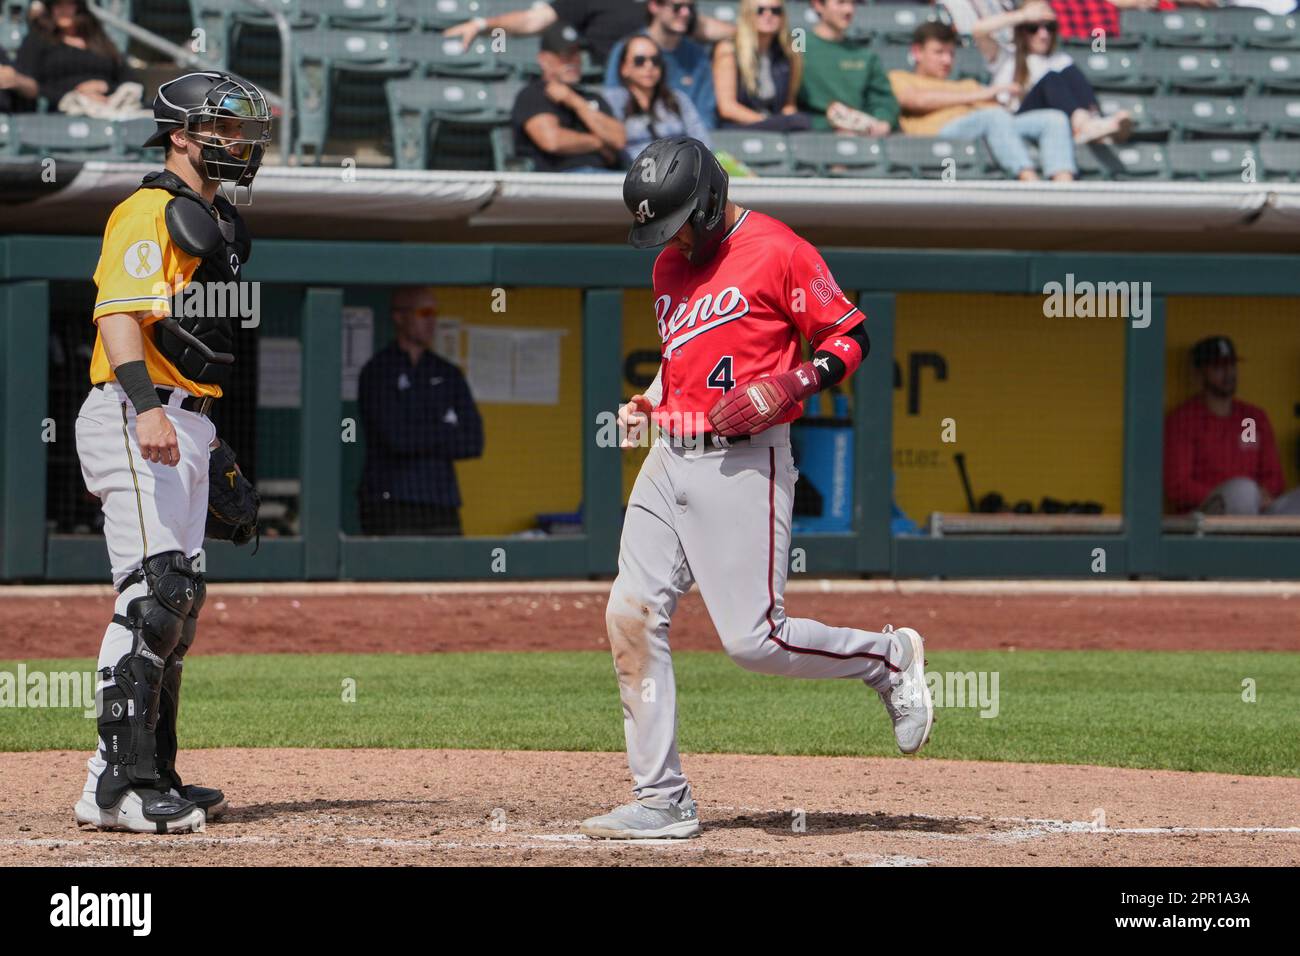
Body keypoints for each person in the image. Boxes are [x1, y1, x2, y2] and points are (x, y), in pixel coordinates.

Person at [579, 137, 934, 840]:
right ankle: (663, 797)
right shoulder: (667, 267)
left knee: (754, 641)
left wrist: (788, 384)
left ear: (708, 200)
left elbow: (849, 336)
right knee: (629, 614)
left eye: (677, 220)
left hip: (745, 460)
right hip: (668, 456)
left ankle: (887, 658)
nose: (671, 237)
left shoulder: (779, 248)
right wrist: (649, 397)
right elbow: (681, 359)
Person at [73, 71, 271, 834]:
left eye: (244, 135)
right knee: (154, 594)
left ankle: (145, 774)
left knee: (178, 605)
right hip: (134, 412)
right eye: (221, 131)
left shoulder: (214, 223)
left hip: (186, 422)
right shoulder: (146, 209)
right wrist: (152, 409)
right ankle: (115, 787)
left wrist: (207, 438)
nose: (238, 146)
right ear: (179, 135)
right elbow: (118, 319)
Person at [357, 288, 485, 536]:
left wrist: (417, 429)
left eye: (435, 313)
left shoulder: (448, 373)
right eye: (424, 313)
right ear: (399, 317)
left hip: (440, 501)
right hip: (389, 501)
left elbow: (473, 441)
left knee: (448, 572)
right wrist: (446, 429)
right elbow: (397, 439)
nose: (432, 321)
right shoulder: (378, 371)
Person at [890, 21, 1076, 180]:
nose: (946, 60)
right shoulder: (899, 77)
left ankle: (1064, 186)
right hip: (937, 136)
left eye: (951, 54)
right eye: (938, 52)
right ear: (917, 52)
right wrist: (981, 95)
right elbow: (915, 101)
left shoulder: (968, 84)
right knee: (992, 117)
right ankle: (1029, 181)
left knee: (1054, 119)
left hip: (982, 128)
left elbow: (1003, 117)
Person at [941, 0, 1130, 143]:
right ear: (1022, 30)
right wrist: (1023, 15)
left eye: (1049, 27)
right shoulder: (1006, 56)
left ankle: (1093, 123)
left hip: (1056, 121)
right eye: (1034, 28)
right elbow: (978, 31)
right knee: (1051, 79)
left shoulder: (1061, 60)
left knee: (1066, 70)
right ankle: (1087, 126)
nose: (1043, 34)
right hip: (1016, 120)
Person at [1164, 336, 1300, 516]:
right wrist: (1226, 496)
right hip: (1205, 515)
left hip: (1257, 510)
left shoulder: (1250, 418)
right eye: (1218, 367)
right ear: (1198, 374)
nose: (1228, 372)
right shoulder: (1184, 419)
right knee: (1243, 492)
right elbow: (1178, 485)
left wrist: (1262, 493)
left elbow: (1273, 475)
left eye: (1231, 365)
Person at [443, 0, 737, 69]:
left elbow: (711, 28)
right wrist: (483, 25)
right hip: (619, 88)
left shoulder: (673, 6)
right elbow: (534, 20)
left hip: (674, 83)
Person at [511, 22, 626, 172]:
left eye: (577, 53)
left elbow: (618, 139)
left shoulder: (591, 96)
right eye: (565, 55)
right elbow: (552, 141)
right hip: (561, 180)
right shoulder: (533, 94)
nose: (573, 61)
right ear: (544, 60)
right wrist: (599, 142)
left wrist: (575, 102)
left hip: (605, 177)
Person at [603, 0, 718, 129]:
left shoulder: (698, 55)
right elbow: (613, 105)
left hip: (686, 139)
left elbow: (705, 115)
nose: (686, 13)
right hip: (637, 138)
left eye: (690, 7)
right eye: (677, 7)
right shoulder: (626, 48)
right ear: (654, 6)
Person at [14, 0, 141, 113]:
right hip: (65, 111)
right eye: (58, 4)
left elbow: (132, 81)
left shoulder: (100, 41)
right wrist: (76, 93)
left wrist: (105, 87)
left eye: (70, 4)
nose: (63, 10)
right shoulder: (38, 40)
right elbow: (30, 85)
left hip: (110, 108)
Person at [604, 35, 711, 165]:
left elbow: (702, 143)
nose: (649, 66)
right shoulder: (612, 100)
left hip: (678, 174)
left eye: (655, 60)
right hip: (630, 176)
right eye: (639, 61)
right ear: (624, 68)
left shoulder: (678, 99)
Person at [796, 0, 899, 135]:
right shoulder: (799, 44)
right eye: (841, 2)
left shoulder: (864, 55)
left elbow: (883, 100)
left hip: (860, 136)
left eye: (852, 3)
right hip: (810, 134)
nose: (849, 10)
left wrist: (883, 121)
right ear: (818, 5)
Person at [712, 0, 811, 132]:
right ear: (748, 14)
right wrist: (768, 121)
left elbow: (789, 104)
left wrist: (784, 119)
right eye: (760, 10)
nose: (768, 15)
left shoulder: (789, 53)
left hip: (776, 124)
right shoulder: (728, 49)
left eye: (775, 11)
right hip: (739, 127)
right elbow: (727, 108)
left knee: (802, 121)